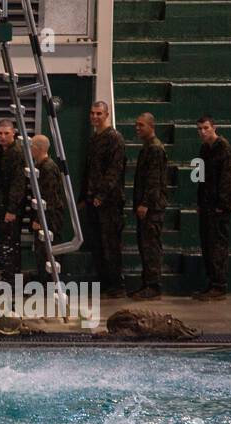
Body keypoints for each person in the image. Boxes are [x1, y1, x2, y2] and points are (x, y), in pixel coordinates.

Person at [80, 102, 127, 298]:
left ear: (106, 115)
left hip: (109, 202)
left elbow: (114, 171)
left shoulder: (114, 138)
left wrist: (101, 195)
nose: (95, 117)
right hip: (93, 200)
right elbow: (89, 170)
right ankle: (105, 284)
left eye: (99, 113)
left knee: (110, 244)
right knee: (97, 244)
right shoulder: (94, 138)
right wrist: (85, 197)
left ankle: (116, 285)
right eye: (92, 113)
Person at [195, 116, 231, 302]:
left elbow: (226, 179)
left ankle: (219, 285)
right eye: (200, 129)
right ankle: (212, 283)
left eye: (206, 128)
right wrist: (199, 202)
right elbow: (200, 178)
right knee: (208, 245)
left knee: (217, 245)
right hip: (206, 205)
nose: (203, 132)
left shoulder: (223, 147)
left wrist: (222, 205)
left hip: (218, 208)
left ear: (214, 127)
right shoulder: (203, 149)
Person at [132, 113, 168, 300]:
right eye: (136, 125)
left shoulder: (155, 149)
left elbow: (154, 180)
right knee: (145, 247)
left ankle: (153, 286)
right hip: (147, 206)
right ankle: (147, 283)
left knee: (151, 247)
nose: (138, 128)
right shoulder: (148, 147)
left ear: (151, 126)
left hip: (152, 208)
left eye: (141, 125)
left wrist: (145, 203)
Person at [0, 120, 27, 288]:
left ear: (14, 133)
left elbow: (18, 183)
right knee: (2, 244)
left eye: (6, 133)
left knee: (11, 245)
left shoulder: (17, 153)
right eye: (0, 133)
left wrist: (12, 209)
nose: (3, 137)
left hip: (10, 209)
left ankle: (14, 284)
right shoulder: (2, 152)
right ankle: (7, 280)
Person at [28, 135, 66, 286]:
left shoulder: (47, 168)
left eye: (31, 147)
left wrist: (39, 220)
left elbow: (48, 197)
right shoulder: (41, 166)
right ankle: (45, 283)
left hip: (49, 219)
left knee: (47, 252)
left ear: (38, 148)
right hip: (48, 217)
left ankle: (50, 285)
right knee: (42, 253)